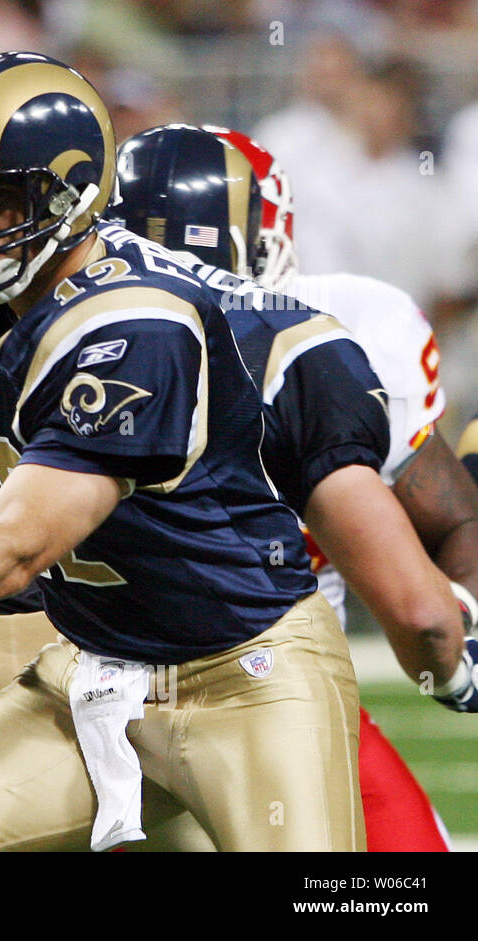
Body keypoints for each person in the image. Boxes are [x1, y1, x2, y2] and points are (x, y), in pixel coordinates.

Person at [0, 51, 368, 851]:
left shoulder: (134, 325)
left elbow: (23, 545)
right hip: (85, 672)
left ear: (72, 190)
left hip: (246, 675)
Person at [109, 123, 478, 850]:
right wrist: (452, 658)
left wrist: (463, 606)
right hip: (131, 699)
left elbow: (449, 524)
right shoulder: (73, 351)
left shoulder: (343, 339)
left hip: (279, 693)